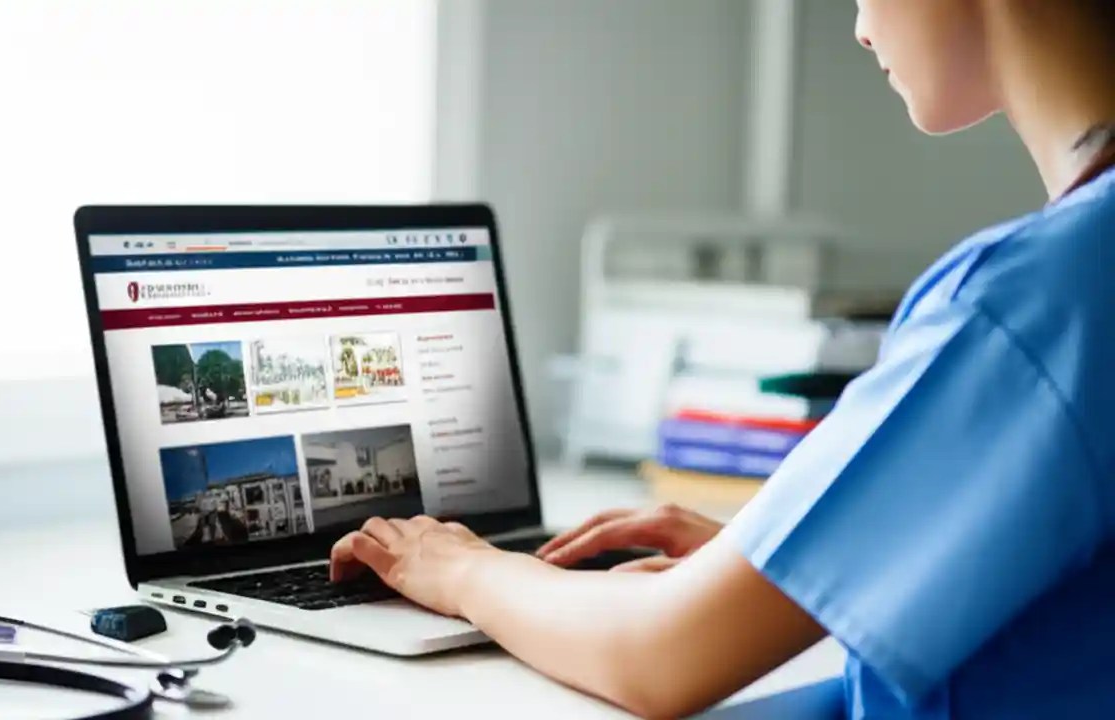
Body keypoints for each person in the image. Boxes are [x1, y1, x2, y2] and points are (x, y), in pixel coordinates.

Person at [330, 1, 1115, 718]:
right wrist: (799, 564)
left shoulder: (1042, 295)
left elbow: (657, 657)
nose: (860, 27)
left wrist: (463, 569)